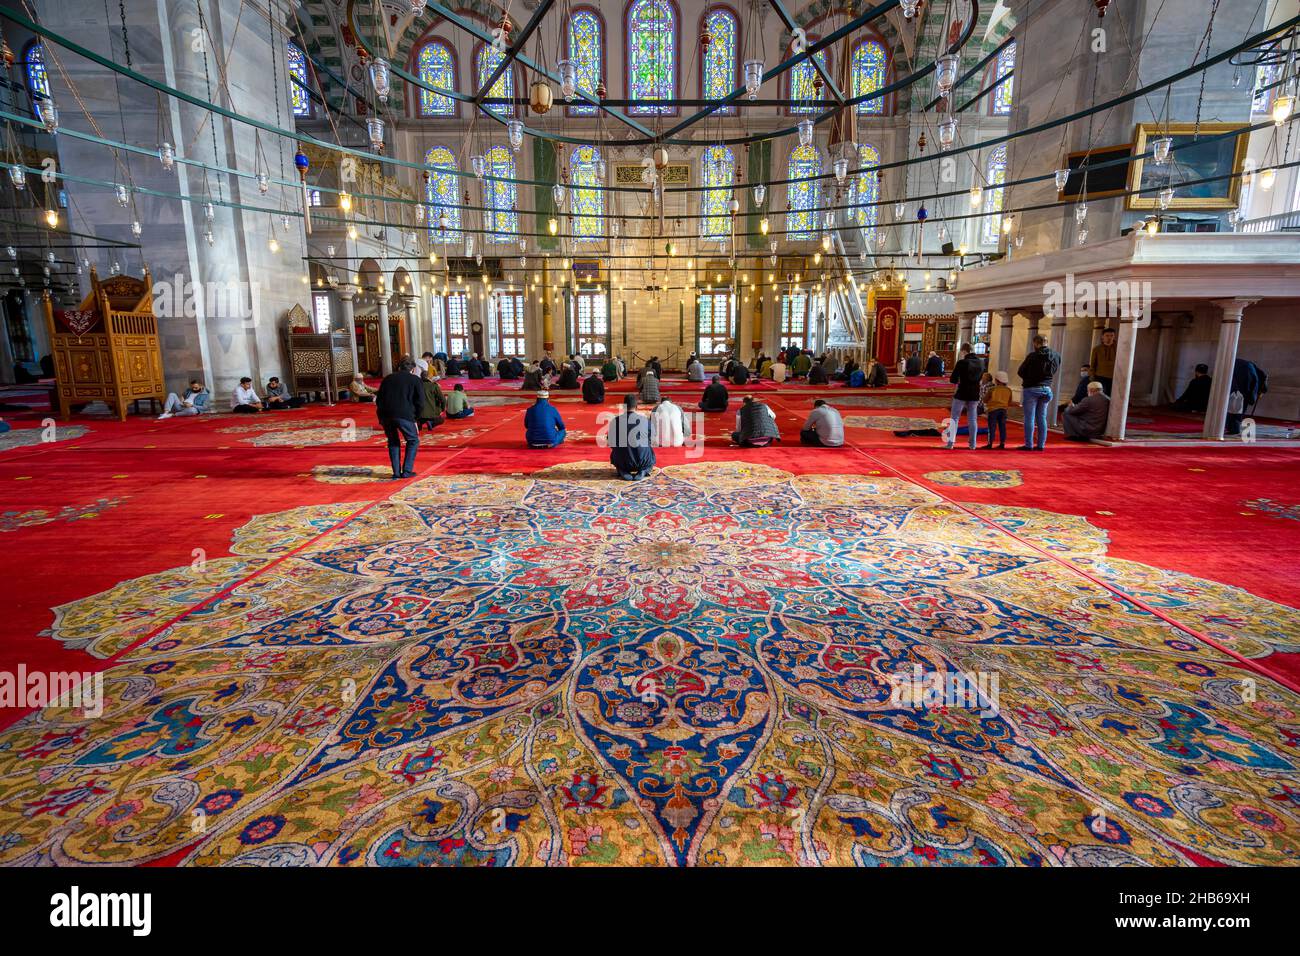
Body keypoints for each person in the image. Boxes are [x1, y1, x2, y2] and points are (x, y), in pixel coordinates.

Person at [376, 356, 423, 479]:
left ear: (398, 367)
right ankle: (407, 471)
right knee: (413, 440)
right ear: (412, 369)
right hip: (405, 415)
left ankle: (396, 472)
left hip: (386, 415)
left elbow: (379, 399)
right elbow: (420, 402)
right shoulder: (415, 380)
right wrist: (416, 417)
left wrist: (381, 416)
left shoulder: (387, 379)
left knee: (393, 441)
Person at [1017, 333, 1061, 450]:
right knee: (1042, 417)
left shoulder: (1032, 356)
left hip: (1031, 388)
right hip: (1047, 389)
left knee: (1029, 418)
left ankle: (1029, 445)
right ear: (1046, 342)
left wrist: (1030, 378)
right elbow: (1054, 370)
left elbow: (1021, 371)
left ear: (1036, 343)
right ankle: (1041, 445)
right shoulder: (1056, 355)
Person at [607, 394, 656, 481]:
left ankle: (623, 471)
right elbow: (652, 439)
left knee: (617, 453)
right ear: (636, 407)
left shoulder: (615, 421)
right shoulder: (645, 420)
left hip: (623, 461)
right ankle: (643, 470)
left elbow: (610, 442)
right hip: (642, 460)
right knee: (650, 453)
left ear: (623, 407)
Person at [946, 346, 983, 450]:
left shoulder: (962, 362)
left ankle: (951, 443)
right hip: (975, 393)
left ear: (964, 351)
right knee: (972, 419)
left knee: (955, 418)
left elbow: (953, 379)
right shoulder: (981, 362)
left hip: (962, 392)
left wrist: (960, 380)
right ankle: (973, 444)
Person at [983, 371, 1012, 450]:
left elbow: (985, 400)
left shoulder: (992, 389)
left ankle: (990, 444)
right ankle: (1002, 443)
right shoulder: (1008, 390)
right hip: (1003, 410)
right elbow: (1009, 401)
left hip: (993, 410)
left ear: (996, 380)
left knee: (992, 427)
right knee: (1002, 427)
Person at [1090, 328, 1117, 395]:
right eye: (1107, 335)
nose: (1109, 338)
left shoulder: (1118, 347)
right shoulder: (1097, 349)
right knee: (1102, 395)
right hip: (1100, 376)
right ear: (1102, 336)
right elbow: (1093, 363)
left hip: (1115, 377)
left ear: (1114, 336)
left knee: (1113, 395)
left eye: (1111, 335)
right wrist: (1092, 375)